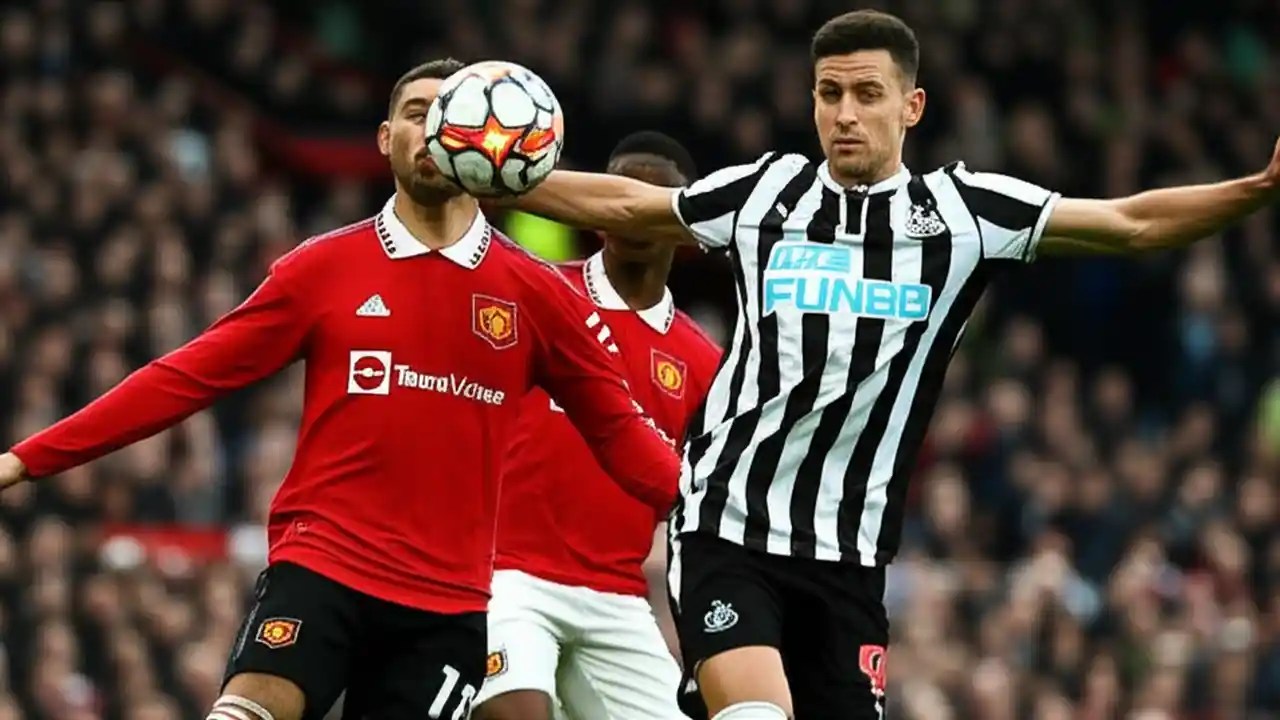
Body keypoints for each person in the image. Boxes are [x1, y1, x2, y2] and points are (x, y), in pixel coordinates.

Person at [507, 10, 1280, 720]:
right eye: (829, 93)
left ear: (911, 106)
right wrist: (491, 171)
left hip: (850, 556)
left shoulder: (964, 216)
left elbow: (1130, 222)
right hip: (729, 527)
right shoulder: (767, 195)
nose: (845, 113)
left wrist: (1258, 188)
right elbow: (626, 206)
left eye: (867, 94)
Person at [0, 58, 680, 720]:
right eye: (417, 113)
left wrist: (705, 504)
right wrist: (28, 459)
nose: (435, 129)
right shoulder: (324, 268)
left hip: (448, 603)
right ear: (386, 139)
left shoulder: (534, 292)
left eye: (451, 114)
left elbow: (619, 429)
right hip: (322, 564)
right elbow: (185, 377)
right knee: (251, 708)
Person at [472, 132, 720, 720]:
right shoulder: (538, 295)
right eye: (617, 191)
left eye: (650, 198)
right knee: (515, 711)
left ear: (683, 225)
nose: (628, 209)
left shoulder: (704, 361)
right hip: (508, 574)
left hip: (617, 596)